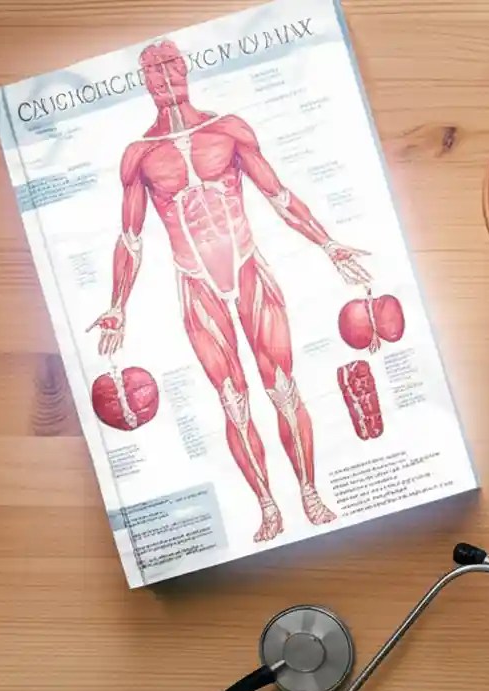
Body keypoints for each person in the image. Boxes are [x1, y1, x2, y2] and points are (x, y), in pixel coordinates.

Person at [88, 39, 371, 542]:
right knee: (233, 400)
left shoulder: (228, 129)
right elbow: (130, 237)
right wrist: (117, 305)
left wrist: (329, 245)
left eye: (171, 64)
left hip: (248, 271)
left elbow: (278, 196)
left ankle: (309, 493)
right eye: (153, 71)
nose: (164, 76)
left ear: (186, 66)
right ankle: (267, 507)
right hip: (196, 286)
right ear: (143, 83)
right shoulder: (139, 156)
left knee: (283, 389)